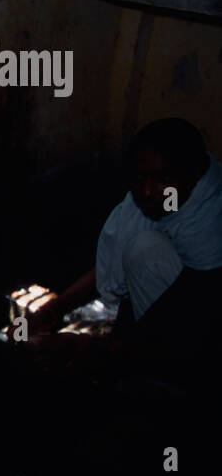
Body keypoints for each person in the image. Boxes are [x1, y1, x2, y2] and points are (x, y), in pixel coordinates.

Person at [26, 118, 222, 359]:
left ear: (195, 174)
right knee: (142, 250)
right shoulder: (155, 200)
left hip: (210, 327)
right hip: (180, 310)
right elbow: (113, 264)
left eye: (165, 180)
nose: (148, 191)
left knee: (145, 252)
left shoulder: (212, 217)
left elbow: (189, 302)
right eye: (140, 178)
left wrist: (102, 350)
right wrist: (53, 310)